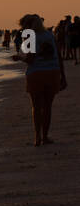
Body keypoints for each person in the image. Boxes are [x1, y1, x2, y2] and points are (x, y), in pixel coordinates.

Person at [14, 14, 66, 145]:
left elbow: (30, 59)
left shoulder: (30, 35)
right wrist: (63, 76)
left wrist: (19, 58)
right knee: (47, 107)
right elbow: (59, 56)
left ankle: (37, 137)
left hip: (36, 73)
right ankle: (45, 136)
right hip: (53, 72)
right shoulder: (50, 35)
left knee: (36, 107)